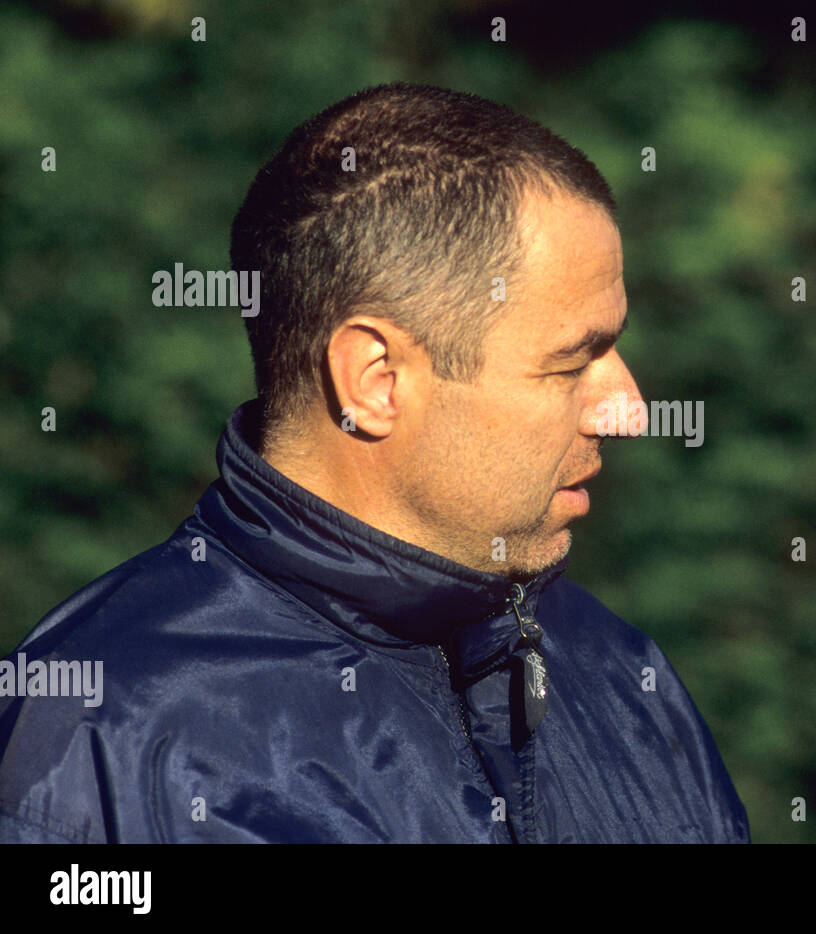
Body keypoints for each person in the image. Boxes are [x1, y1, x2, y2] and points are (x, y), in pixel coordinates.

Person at [0, 83, 750, 843]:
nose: (629, 410)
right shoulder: (103, 747)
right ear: (377, 381)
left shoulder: (624, 679)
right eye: (571, 364)